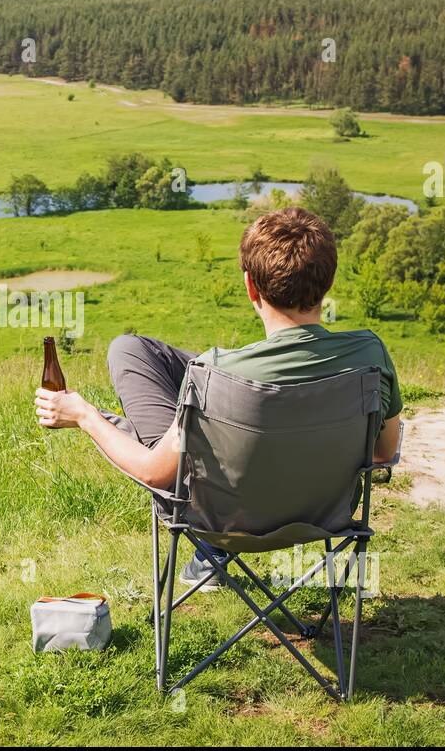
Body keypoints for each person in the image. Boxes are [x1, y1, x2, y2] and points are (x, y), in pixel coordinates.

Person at [34, 206, 402, 590]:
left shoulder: (211, 373)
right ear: (328, 283)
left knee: (129, 355)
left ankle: (210, 556)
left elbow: (153, 473)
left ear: (250, 288)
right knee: (132, 349)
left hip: (218, 521)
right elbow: (383, 451)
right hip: (327, 513)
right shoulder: (370, 357)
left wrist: (84, 416)